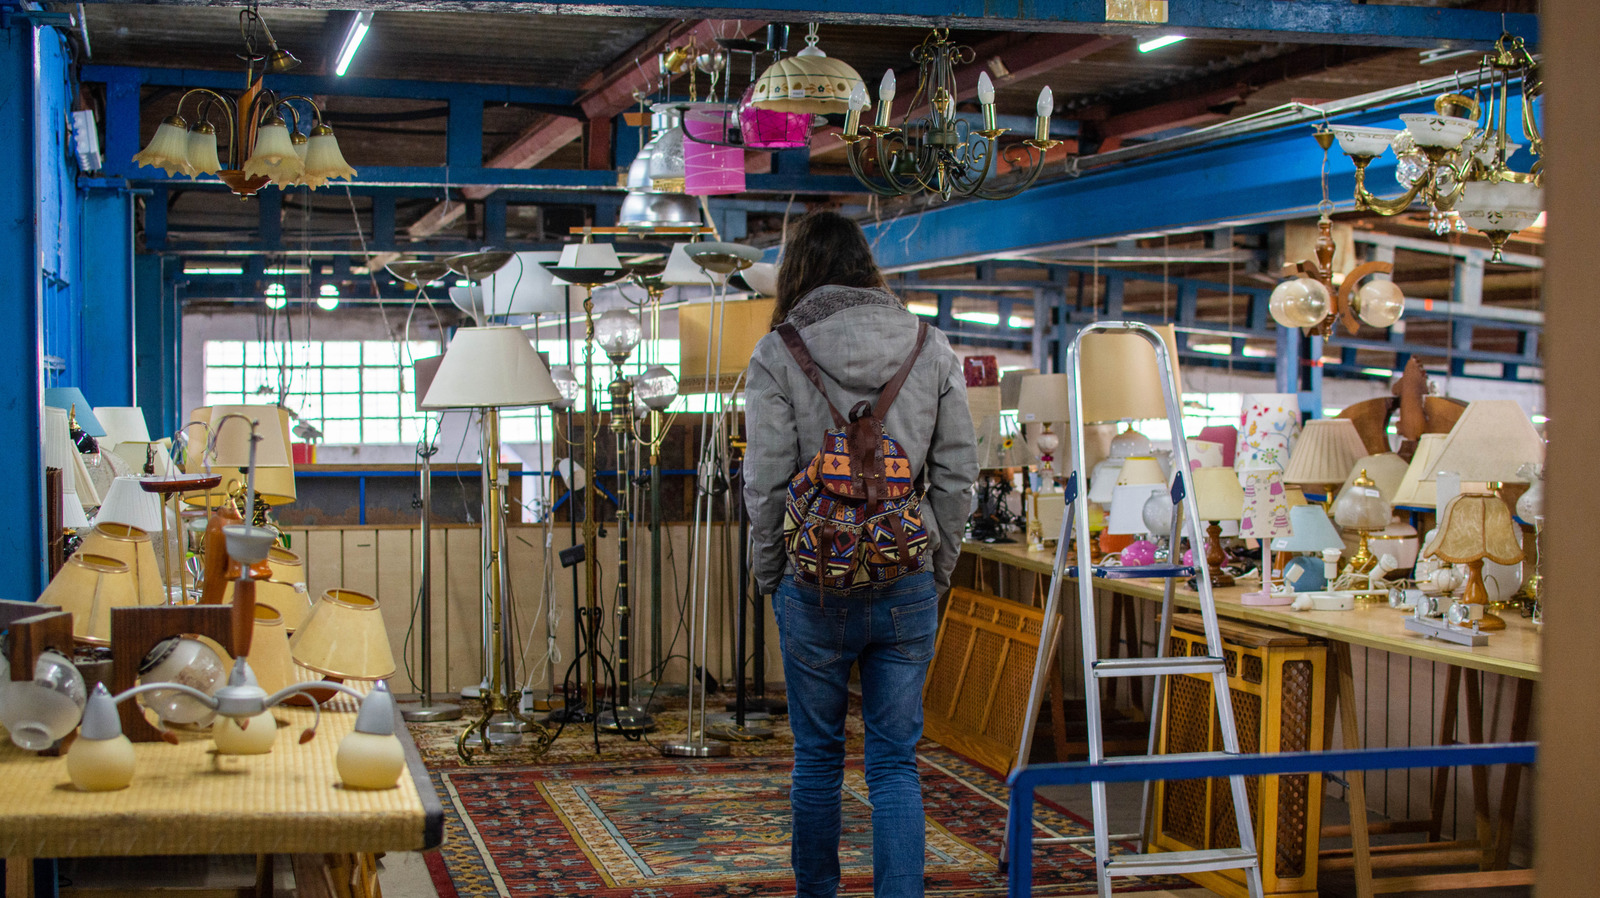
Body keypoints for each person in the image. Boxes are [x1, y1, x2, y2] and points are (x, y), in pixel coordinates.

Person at [743, 210, 979, 898]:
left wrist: (769, 570)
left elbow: (765, 478)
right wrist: (937, 564)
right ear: (866, 267)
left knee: (816, 760)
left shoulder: (778, 351)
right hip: (905, 576)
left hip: (813, 583)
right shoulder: (929, 345)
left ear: (795, 274)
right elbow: (960, 473)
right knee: (895, 764)